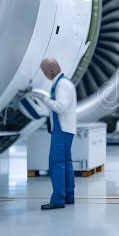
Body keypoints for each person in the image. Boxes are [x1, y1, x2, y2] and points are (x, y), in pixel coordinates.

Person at [36, 57, 78, 210]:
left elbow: (60, 107)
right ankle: (68, 196)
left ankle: (58, 199)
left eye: (45, 72)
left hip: (62, 130)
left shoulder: (61, 84)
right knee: (66, 164)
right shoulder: (64, 83)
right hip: (65, 129)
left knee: (56, 164)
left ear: (52, 70)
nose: (45, 75)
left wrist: (43, 98)